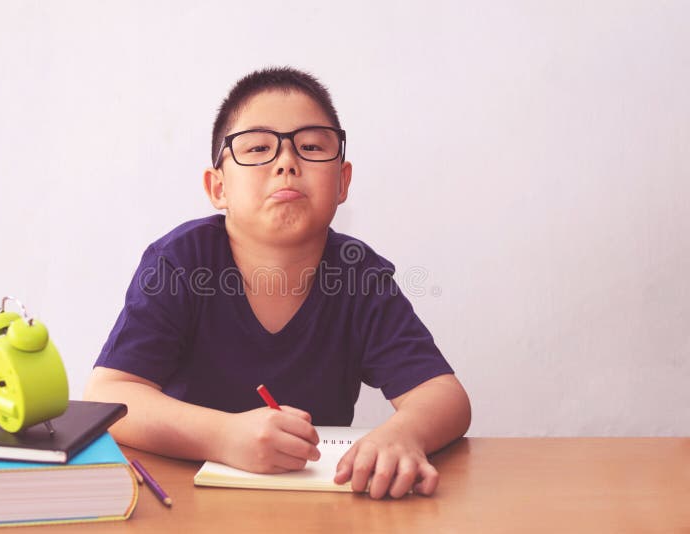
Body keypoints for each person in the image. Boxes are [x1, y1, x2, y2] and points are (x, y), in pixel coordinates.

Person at [84, 66, 471, 499]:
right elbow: (109, 394)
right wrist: (223, 435)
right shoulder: (180, 263)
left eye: (310, 147)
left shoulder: (358, 275)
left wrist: (403, 434)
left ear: (342, 181)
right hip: (188, 502)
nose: (287, 162)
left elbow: (444, 395)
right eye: (258, 148)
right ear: (218, 187)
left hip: (319, 509)